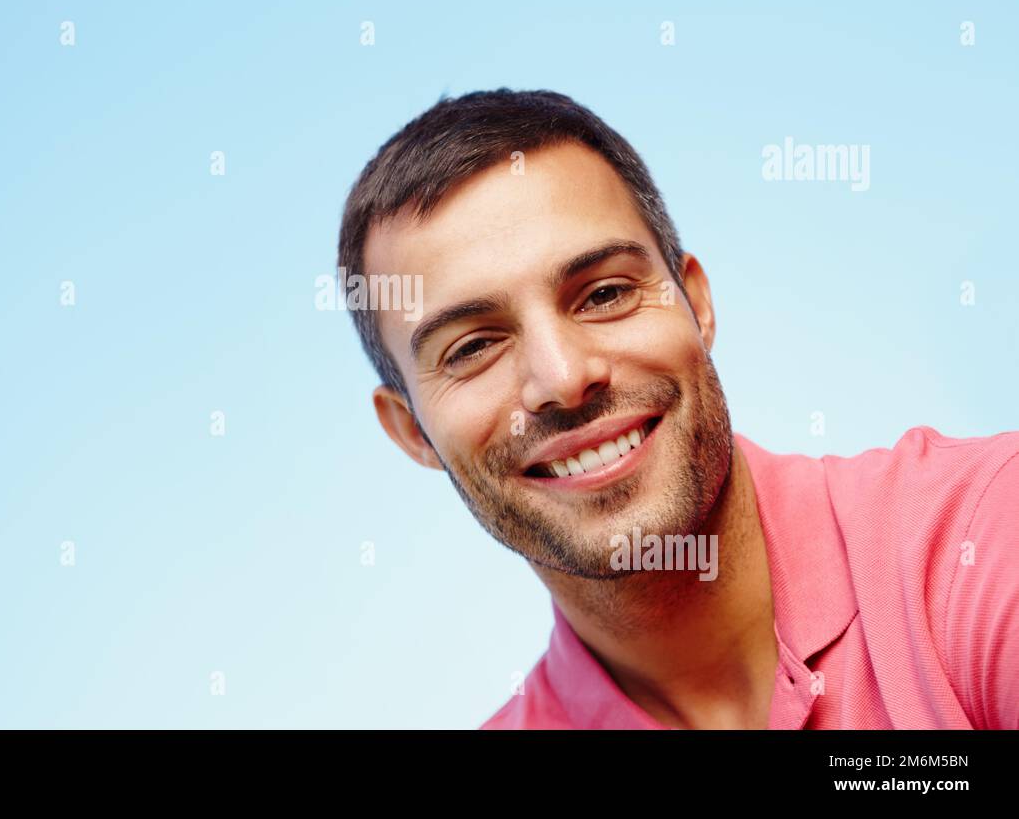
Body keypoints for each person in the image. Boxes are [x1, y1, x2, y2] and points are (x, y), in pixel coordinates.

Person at [335, 88, 1019, 729]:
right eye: (474, 346)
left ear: (696, 303)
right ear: (410, 431)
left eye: (604, 294)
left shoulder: (979, 537)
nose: (565, 379)